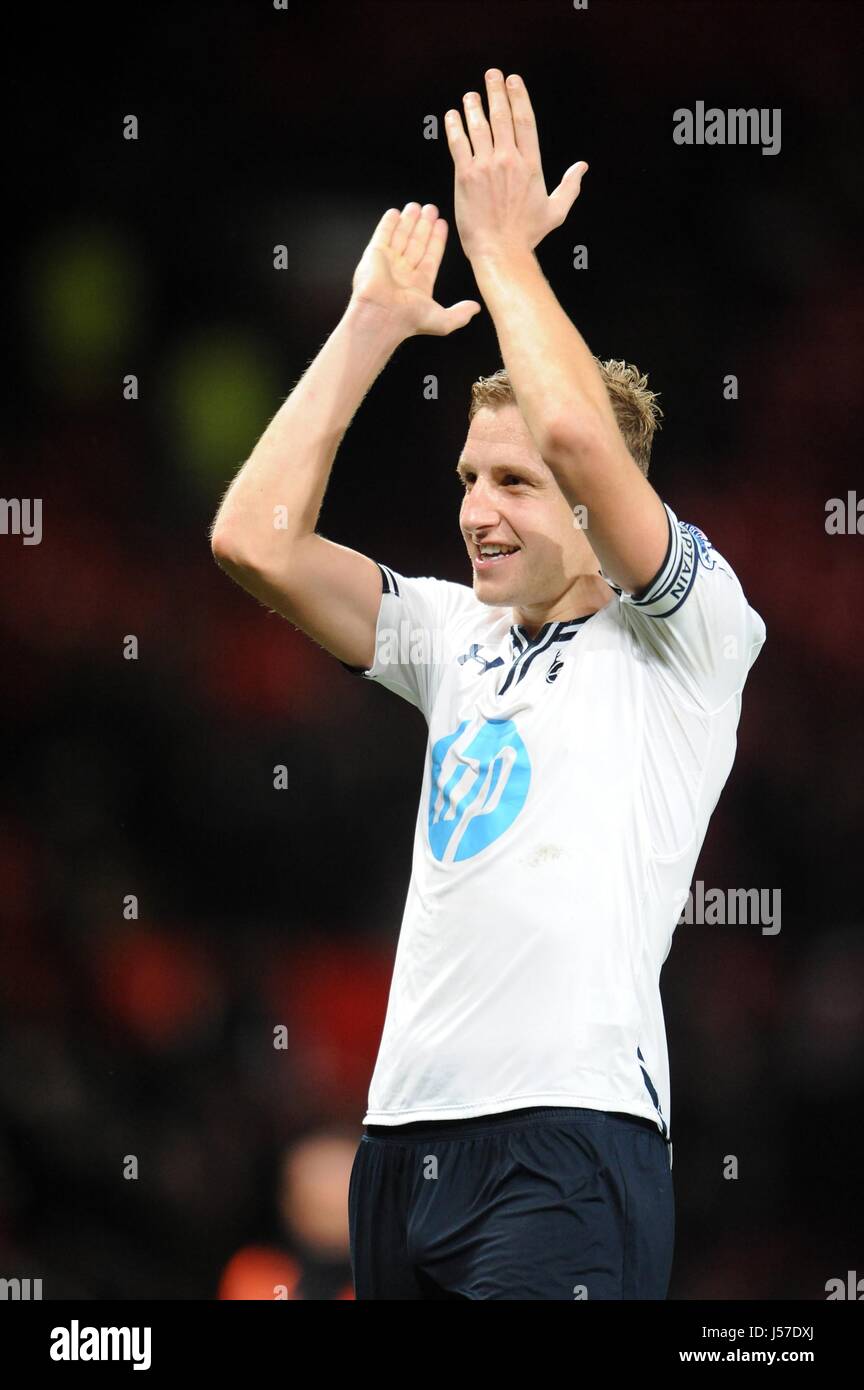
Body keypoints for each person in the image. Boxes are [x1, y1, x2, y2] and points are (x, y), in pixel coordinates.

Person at [210, 70, 766, 1299]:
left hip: (571, 1141)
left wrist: (502, 254)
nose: (474, 510)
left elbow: (578, 432)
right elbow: (253, 539)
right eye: (467, 477)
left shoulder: (690, 633)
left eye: (510, 482)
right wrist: (366, 327)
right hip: (400, 1145)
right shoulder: (453, 636)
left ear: (597, 499)